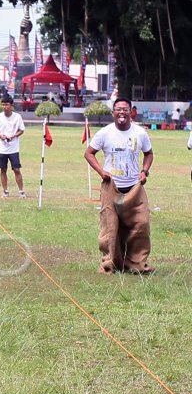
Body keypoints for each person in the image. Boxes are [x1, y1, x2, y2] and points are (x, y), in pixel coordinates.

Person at [84, 97, 154, 274]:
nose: (122, 113)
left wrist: (144, 171)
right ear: (113, 113)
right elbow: (89, 153)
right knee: (110, 228)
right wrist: (101, 171)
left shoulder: (140, 133)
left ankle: (136, 263)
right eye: (118, 109)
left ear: (131, 112)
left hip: (135, 187)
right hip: (111, 187)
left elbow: (149, 154)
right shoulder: (105, 133)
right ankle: (110, 263)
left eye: (125, 109)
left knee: (141, 224)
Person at [0, 95, 26, 198]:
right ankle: (5, 191)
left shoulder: (17, 117)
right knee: (3, 169)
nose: (5, 107)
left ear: (12, 106)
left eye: (7, 105)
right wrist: (1, 136)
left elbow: (21, 130)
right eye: (3, 105)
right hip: (2, 148)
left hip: (13, 148)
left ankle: (21, 191)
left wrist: (14, 136)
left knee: (16, 169)